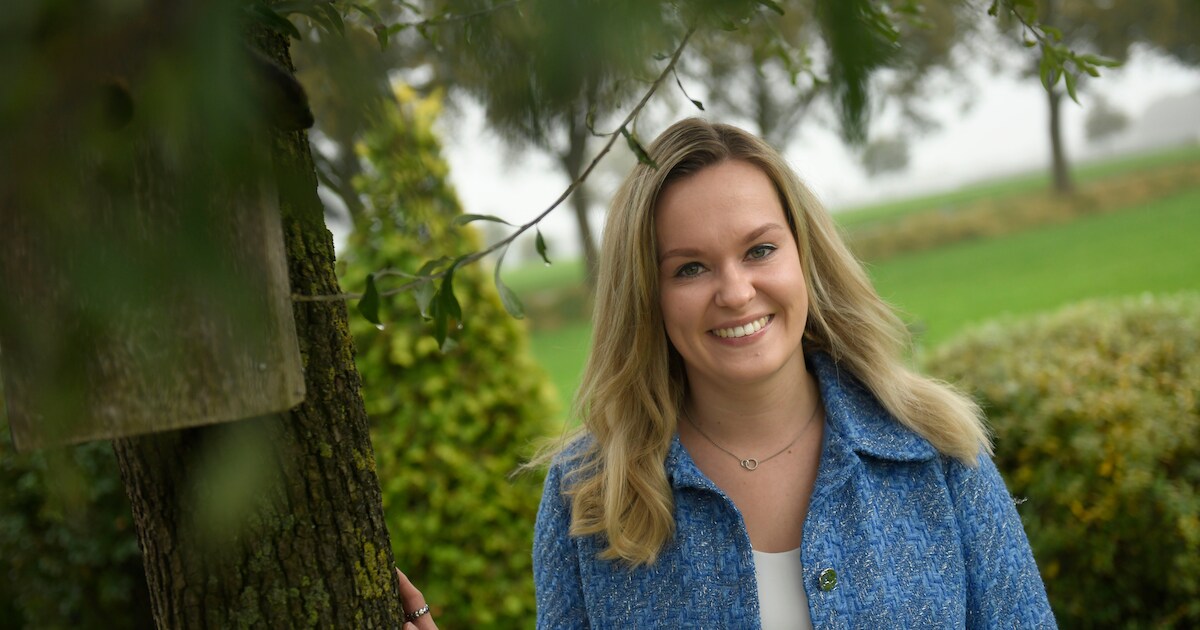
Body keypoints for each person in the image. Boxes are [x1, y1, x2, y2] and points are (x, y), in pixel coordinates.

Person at [399, 118, 1056, 628]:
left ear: (805, 257)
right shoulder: (590, 494)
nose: (736, 292)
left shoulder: (933, 450)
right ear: (647, 296)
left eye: (759, 250)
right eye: (690, 268)